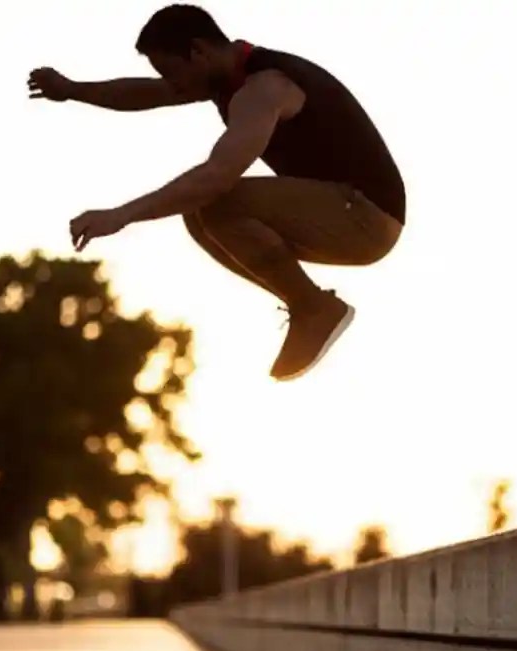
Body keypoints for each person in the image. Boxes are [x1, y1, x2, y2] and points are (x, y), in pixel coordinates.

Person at [28, 4, 406, 381]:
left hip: (366, 216)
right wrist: (72, 90)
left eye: (172, 73)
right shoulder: (225, 76)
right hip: (348, 213)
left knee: (217, 203)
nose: (173, 86)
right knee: (197, 217)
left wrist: (121, 215)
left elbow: (218, 176)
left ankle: (313, 309)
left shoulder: (266, 86)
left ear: (198, 52)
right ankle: (308, 305)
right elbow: (145, 93)